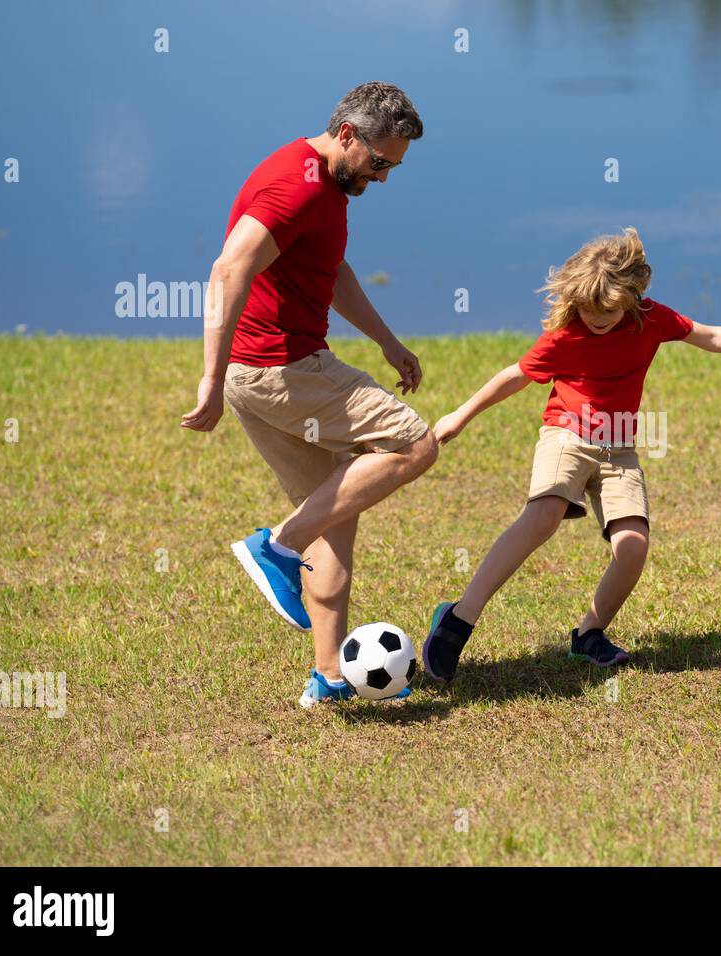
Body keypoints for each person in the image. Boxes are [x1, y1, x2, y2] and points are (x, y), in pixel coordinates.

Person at [423, 227, 721, 682]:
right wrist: (461, 415)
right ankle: (458, 620)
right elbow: (514, 376)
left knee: (632, 547)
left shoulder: (651, 319)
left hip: (619, 448)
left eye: (607, 310)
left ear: (632, 295)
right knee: (543, 516)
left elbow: (709, 336)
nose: (596, 319)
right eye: (588, 309)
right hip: (566, 436)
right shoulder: (567, 335)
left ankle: (590, 633)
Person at [181, 82, 438, 707]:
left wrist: (385, 340)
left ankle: (327, 675)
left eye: (393, 168)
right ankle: (276, 546)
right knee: (415, 444)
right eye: (380, 162)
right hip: (282, 371)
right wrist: (210, 377)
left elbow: (332, 271)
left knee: (335, 521)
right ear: (347, 134)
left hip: (263, 376)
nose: (382, 177)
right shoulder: (295, 186)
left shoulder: (329, 183)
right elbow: (226, 269)